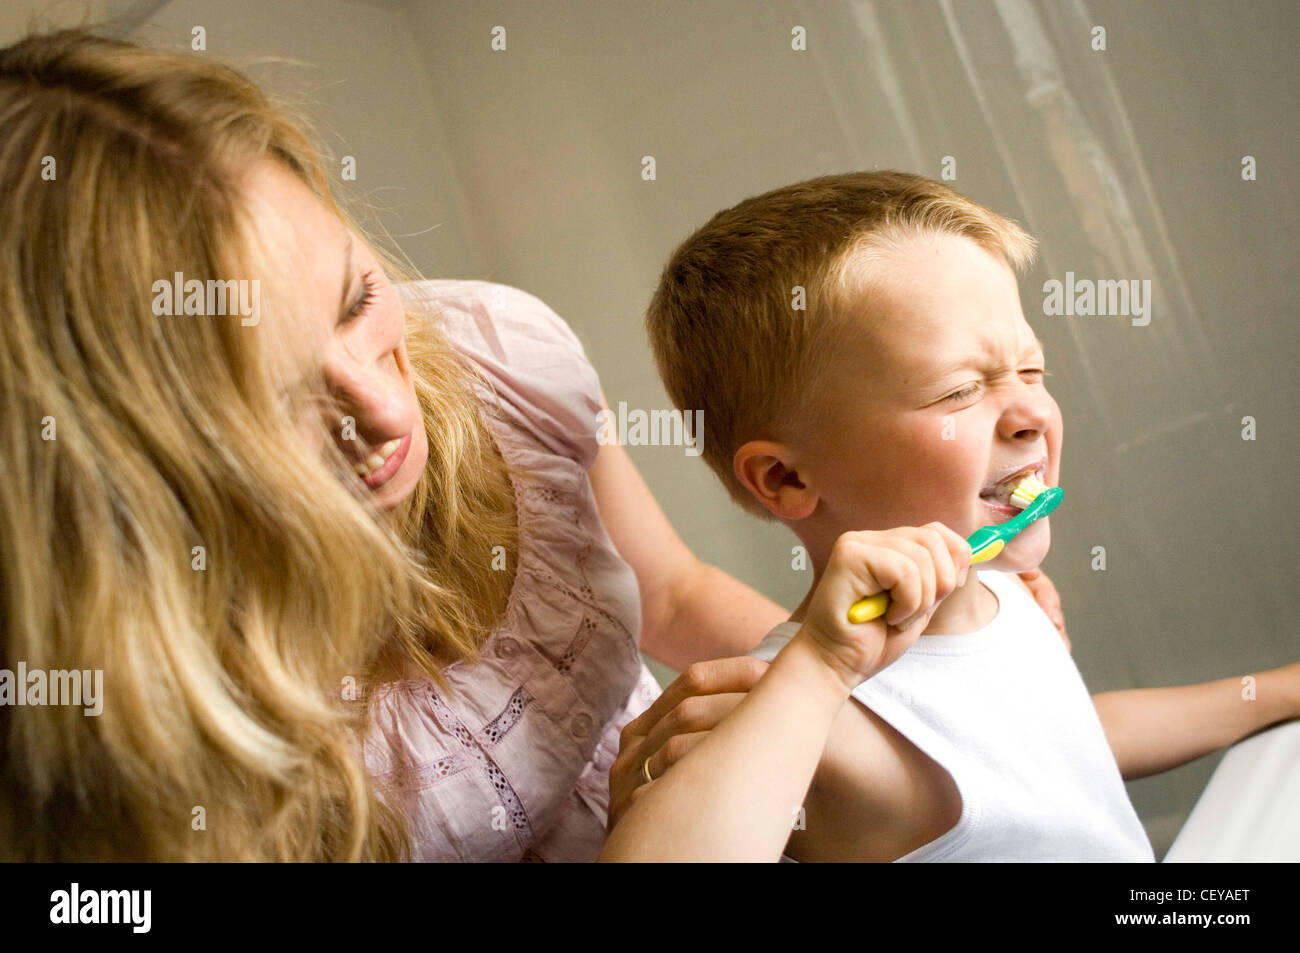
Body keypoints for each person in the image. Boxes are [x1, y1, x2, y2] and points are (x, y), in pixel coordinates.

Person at [0, 28, 1069, 861]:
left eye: (355, 299)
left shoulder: (501, 354)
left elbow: (681, 596)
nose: (382, 410)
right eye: (268, 398)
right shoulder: (88, 722)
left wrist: (908, 693)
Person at [602, 171, 1300, 861]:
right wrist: (814, 670)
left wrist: (1278, 689)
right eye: (962, 390)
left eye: (1032, 371)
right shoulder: (803, 710)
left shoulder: (1003, 596)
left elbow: (1064, 755)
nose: (1032, 414)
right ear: (785, 477)